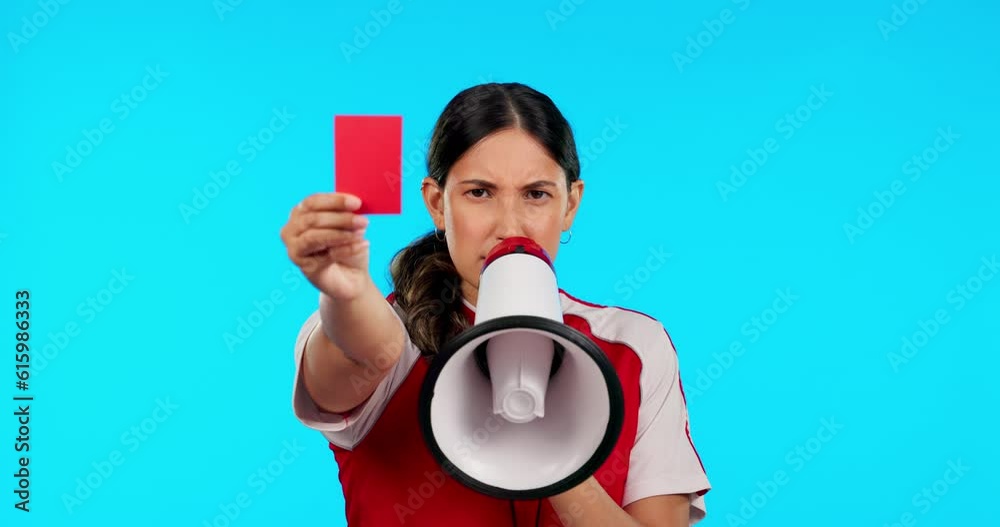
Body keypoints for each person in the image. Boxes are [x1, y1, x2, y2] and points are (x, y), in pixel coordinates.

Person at [280, 82, 711, 526]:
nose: (510, 226)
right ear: (437, 203)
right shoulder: (389, 327)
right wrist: (346, 293)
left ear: (571, 204)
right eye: (479, 193)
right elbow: (368, 349)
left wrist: (551, 455)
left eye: (536, 194)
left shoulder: (635, 345)